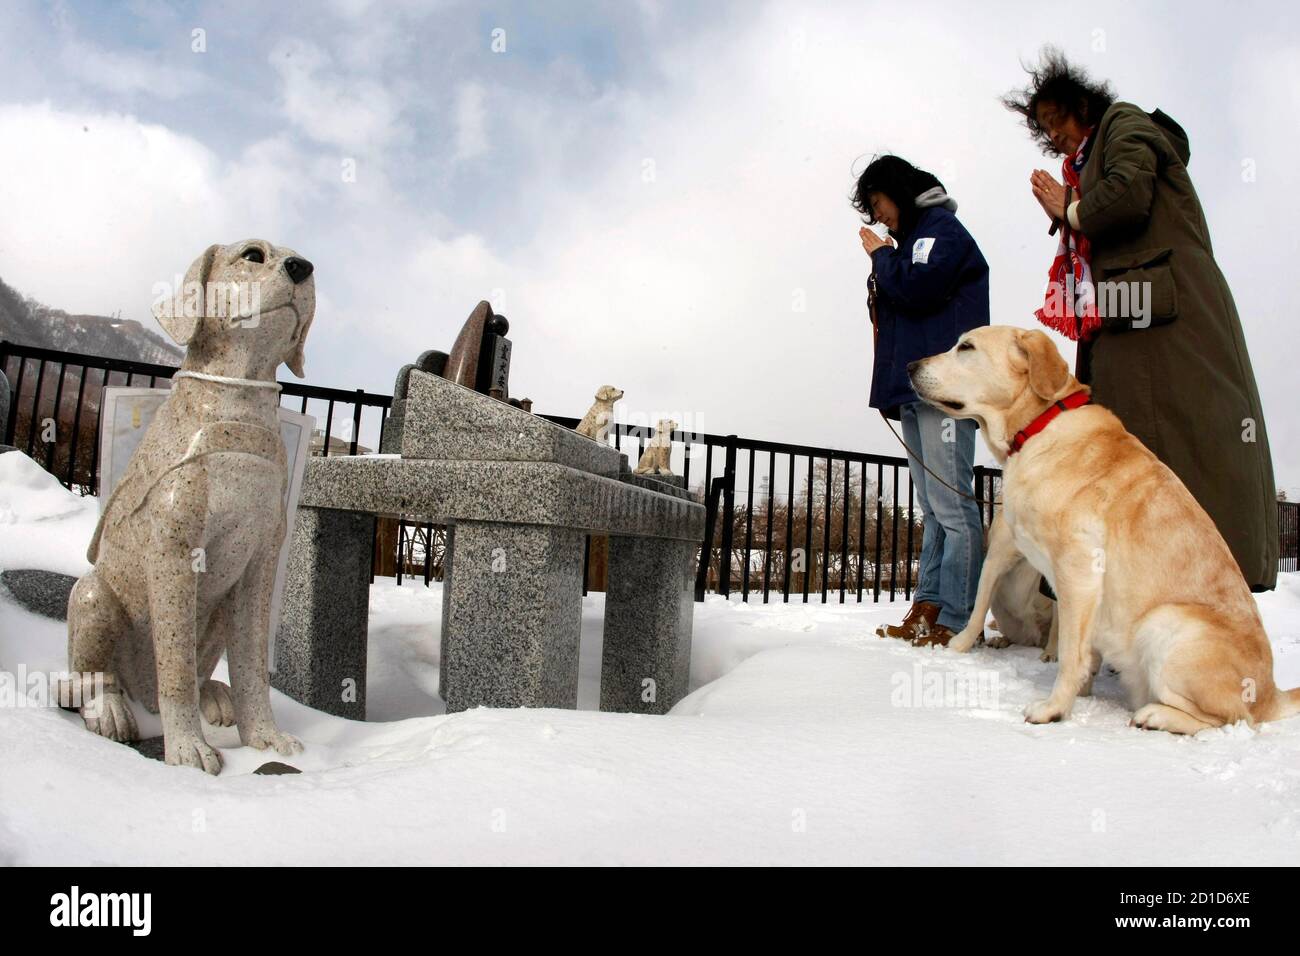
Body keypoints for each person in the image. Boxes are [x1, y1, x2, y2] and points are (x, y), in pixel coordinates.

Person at [1005, 48, 1278, 591]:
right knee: (1128, 465)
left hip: (1164, 324)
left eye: (1055, 119)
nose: (1052, 134)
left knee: (1178, 459)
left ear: (1080, 105)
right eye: (1043, 129)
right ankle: (1138, 600)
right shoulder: (1086, 160)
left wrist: (1071, 210)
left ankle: (1194, 603)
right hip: (1133, 321)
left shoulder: (1125, 122)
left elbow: (1128, 194)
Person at [852, 155, 990, 646]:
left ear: (897, 189)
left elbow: (919, 289)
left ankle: (958, 616)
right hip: (917, 388)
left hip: (944, 389)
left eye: (878, 202)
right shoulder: (916, 240)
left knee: (951, 504)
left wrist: (882, 259)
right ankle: (929, 607)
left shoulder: (939, 230)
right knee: (933, 507)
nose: (877, 216)